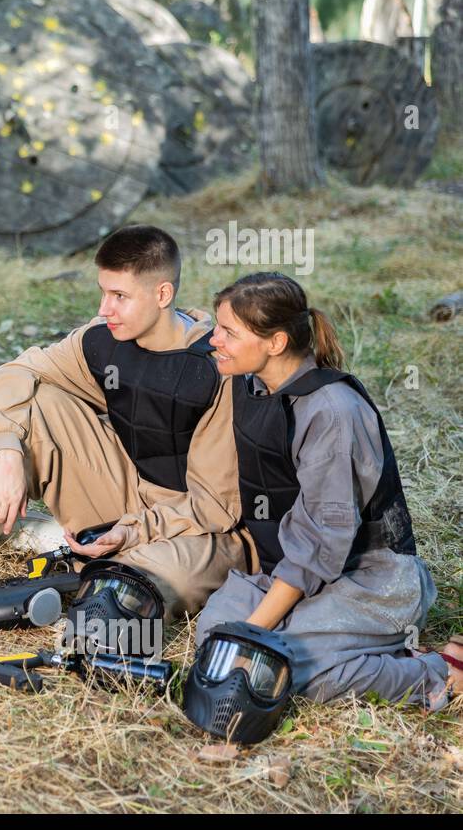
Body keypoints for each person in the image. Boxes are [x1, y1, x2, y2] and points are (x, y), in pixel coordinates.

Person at [0, 224, 248, 614]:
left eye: (120, 296)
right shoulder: (101, 339)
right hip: (124, 491)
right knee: (31, 405)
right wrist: (8, 452)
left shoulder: (215, 368)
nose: (104, 309)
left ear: (162, 294)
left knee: (149, 583)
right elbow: (10, 374)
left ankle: (91, 554)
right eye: (103, 292)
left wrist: (135, 530)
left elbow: (217, 507)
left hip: (192, 522)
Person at [195, 272, 457, 709]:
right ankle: (357, 646)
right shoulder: (255, 383)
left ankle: (436, 675)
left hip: (373, 578)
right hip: (295, 574)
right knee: (215, 642)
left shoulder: (332, 412)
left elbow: (321, 540)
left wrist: (254, 633)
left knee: (279, 671)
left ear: (275, 343)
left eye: (227, 332)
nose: (213, 341)